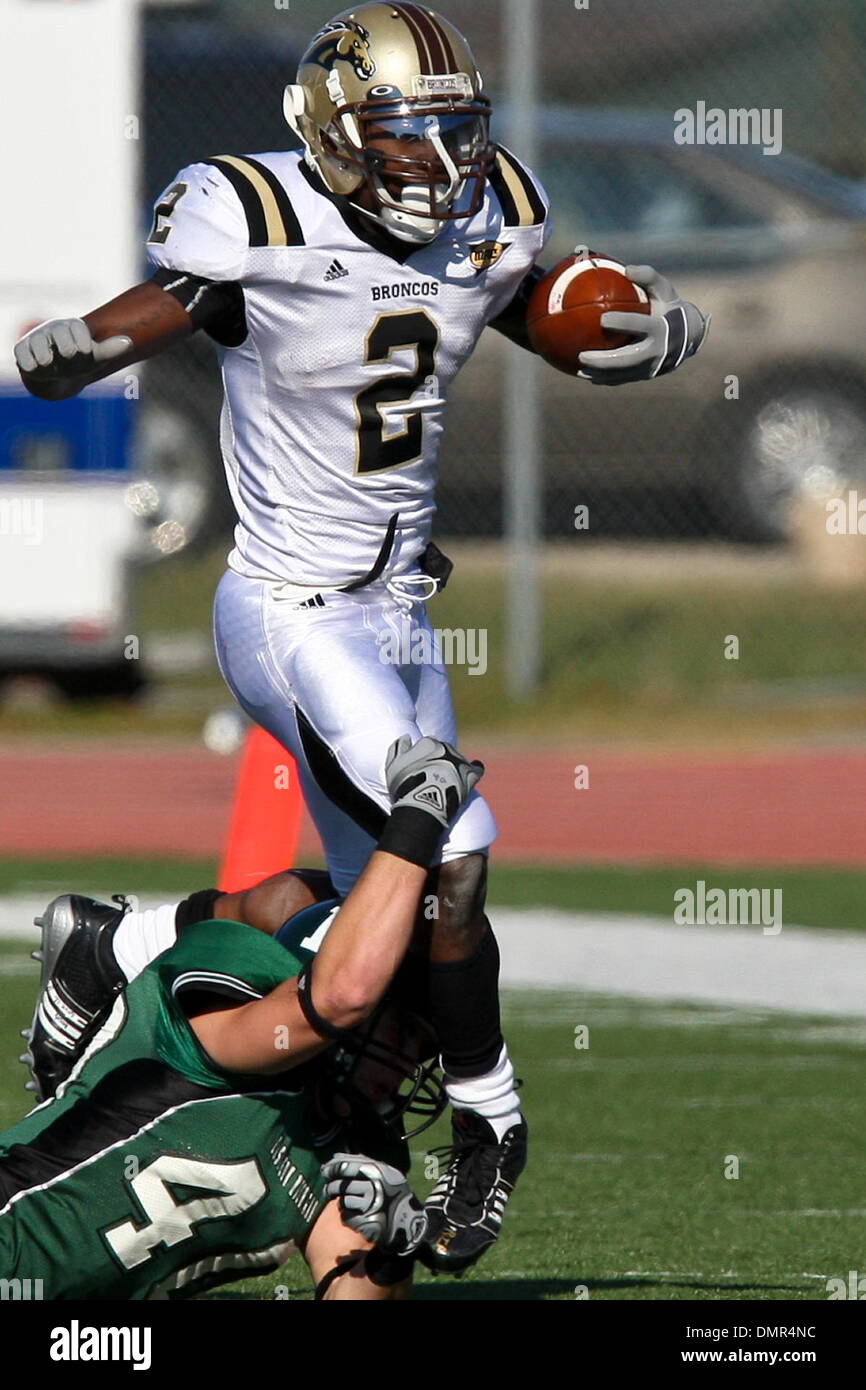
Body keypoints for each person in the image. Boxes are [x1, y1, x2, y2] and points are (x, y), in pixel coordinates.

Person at [13, 3, 709, 1271]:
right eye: (405, 136)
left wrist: (622, 332)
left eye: (454, 132)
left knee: (371, 895)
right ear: (334, 132)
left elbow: (521, 298)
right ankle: (491, 1119)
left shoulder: (485, 210)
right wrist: (87, 345)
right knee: (446, 855)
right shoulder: (255, 216)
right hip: (289, 609)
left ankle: (126, 939)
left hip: (398, 611)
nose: (439, 166)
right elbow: (176, 299)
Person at [2, 737, 478, 1299]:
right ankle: (111, 945)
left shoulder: (347, 1143)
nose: (402, 1070)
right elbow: (338, 994)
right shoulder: (218, 1013)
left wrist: (393, 1250)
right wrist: (419, 814)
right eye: (401, 1034)